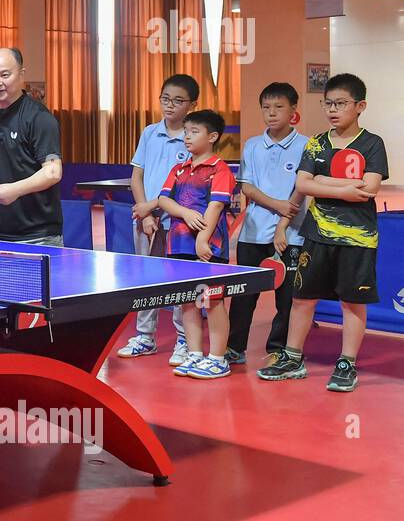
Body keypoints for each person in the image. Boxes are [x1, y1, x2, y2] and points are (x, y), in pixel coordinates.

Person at [260, 73, 388, 392]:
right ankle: (292, 358)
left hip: (358, 238)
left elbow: (369, 188)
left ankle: (346, 364)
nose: (332, 109)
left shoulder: (372, 143)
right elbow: (303, 184)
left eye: (340, 104)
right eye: (328, 103)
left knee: (352, 303)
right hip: (315, 235)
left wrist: (323, 182)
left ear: (360, 106)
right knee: (303, 298)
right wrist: (343, 187)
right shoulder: (317, 142)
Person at [116, 73, 199, 363]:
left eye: (178, 101)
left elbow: (185, 185)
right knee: (146, 279)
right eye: (165, 99)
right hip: (146, 219)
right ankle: (144, 336)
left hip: (177, 221)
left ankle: (183, 339)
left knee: (178, 281)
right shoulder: (150, 133)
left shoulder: (192, 137)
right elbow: (136, 176)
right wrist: (144, 211)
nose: (170, 105)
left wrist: (151, 208)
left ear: (192, 104)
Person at [226, 82, 308, 367]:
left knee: (286, 298)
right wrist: (277, 205)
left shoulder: (307, 145)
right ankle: (234, 348)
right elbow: (246, 187)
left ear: (293, 110)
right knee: (243, 296)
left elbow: (303, 187)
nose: (271, 113)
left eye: (279, 107)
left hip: (292, 235)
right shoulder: (252, 145)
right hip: (252, 232)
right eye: (266, 107)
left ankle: (279, 349)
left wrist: (284, 222)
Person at [151, 109, 236, 380]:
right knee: (187, 301)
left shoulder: (220, 170)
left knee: (212, 301)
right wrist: (186, 213)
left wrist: (202, 238)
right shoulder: (179, 169)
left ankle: (218, 358)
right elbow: (163, 200)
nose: (187, 136)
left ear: (212, 137)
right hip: (178, 244)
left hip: (209, 246)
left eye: (194, 132)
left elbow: (215, 206)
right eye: (186, 131)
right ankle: (196, 353)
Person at [0, 47, 63, 245]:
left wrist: (13, 190)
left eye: (5, 75)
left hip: (37, 236)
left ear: (21, 74)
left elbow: (53, 172)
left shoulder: (40, 118)